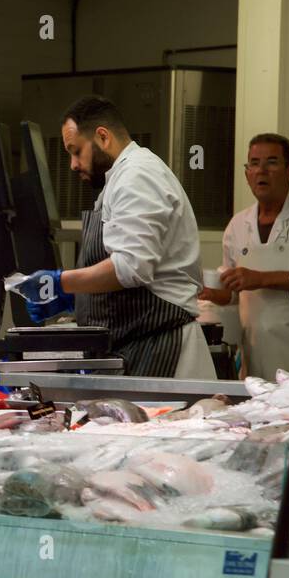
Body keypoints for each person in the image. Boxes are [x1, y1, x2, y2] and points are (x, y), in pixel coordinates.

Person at [19, 95, 215, 379]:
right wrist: (78, 297)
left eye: (76, 151)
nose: (73, 165)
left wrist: (61, 282)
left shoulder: (137, 176)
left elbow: (130, 267)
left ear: (102, 137)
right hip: (142, 345)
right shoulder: (119, 179)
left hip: (163, 352)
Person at [201, 133, 289, 380]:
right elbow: (233, 295)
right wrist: (212, 293)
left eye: (272, 162)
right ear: (246, 173)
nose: (261, 171)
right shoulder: (237, 226)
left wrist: (260, 279)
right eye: (254, 163)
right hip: (255, 362)